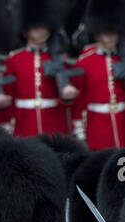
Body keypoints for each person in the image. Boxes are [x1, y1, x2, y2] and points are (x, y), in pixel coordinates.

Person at [73, 1, 125, 150]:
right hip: (98, 125)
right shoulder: (85, 61)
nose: (109, 38)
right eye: (105, 33)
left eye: (113, 33)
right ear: (97, 33)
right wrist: (80, 127)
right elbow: (80, 98)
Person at [5, 0, 77, 138]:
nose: (40, 30)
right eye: (35, 27)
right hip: (24, 124)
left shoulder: (61, 58)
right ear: (25, 31)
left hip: (54, 124)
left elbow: (71, 101)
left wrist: (67, 97)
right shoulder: (14, 60)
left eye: (44, 26)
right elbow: (10, 95)